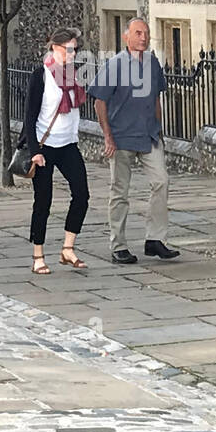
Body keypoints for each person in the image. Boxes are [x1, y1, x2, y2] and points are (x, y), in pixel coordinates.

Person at [89, 18, 179, 264]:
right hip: (121, 138)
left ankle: (155, 239)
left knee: (161, 181)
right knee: (119, 192)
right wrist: (108, 136)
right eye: (138, 33)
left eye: (146, 33)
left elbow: (156, 98)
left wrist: (158, 129)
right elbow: (99, 101)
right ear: (126, 37)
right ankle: (118, 245)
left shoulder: (153, 64)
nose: (144, 37)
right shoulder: (115, 65)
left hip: (148, 135)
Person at [20, 28, 91, 275]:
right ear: (55, 47)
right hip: (43, 146)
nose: (73, 54)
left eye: (75, 49)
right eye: (69, 49)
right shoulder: (40, 76)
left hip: (68, 145)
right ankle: (38, 255)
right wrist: (33, 151)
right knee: (43, 201)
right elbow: (29, 117)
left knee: (82, 194)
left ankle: (67, 249)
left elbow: (74, 110)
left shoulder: (73, 76)